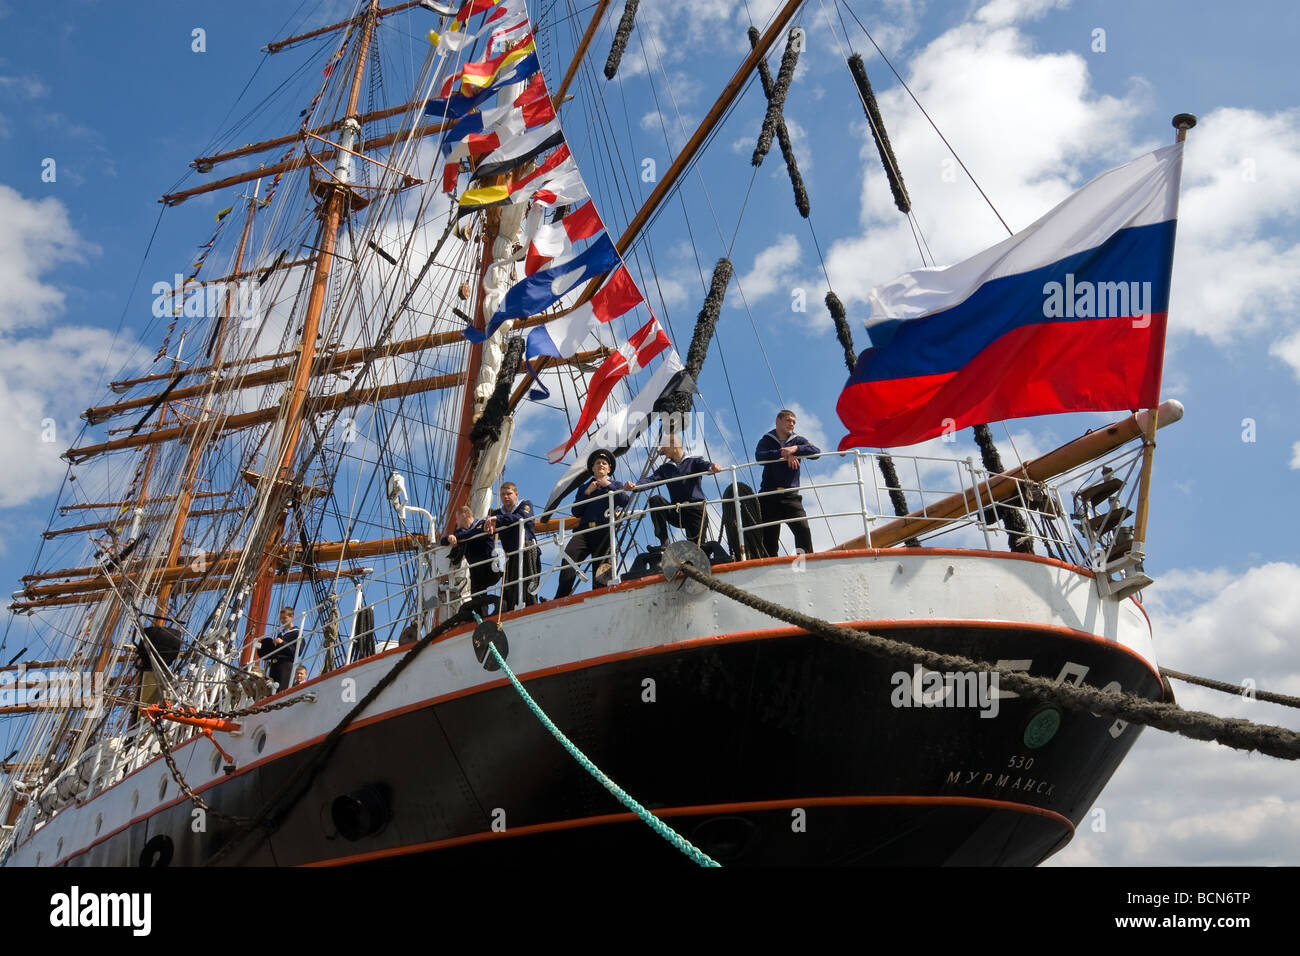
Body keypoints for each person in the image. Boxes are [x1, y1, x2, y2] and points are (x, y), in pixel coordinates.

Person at [554, 449, 629, 599]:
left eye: (604, 463)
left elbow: (624, 501)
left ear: (609, 469)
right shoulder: (584, 488)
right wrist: (587, 492)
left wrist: (608, 485)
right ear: (593, 468)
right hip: (584, 531)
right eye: (597, 463)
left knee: (601, 566)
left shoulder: (615, 484)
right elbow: (576, 511)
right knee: (569, 556)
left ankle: (600, 595)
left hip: (603, 530)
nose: (601, 465)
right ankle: (561, 596)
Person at [623, 436, 722, 547]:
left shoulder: (693, 461)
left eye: (665, 447)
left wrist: (712, 467)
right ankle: (664, 541)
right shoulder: (666, 468)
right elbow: (651, 480)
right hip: (677, 511)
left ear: (674, 445)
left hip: (695, 509)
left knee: (697, 547)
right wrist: (635, 486)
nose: (663, 451)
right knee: (656, 500)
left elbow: (706, 465)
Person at [754, 409, 820, 557]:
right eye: (788, 420)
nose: (792, 424)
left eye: (794, 422)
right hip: (769, 495)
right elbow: (760, 457)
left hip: (790, 495)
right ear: (778, 421)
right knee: (769, 537)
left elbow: (815, 452)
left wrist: (795, 449)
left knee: (803, 530)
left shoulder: (797, 440)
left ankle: (805, 560)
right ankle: (768, 566)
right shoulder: (766, 440)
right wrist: (782, 453)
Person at [491, 481, 540, 612]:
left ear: (516, 494)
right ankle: (509, 609)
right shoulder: (497, 513)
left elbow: (522, 517)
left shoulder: (525, 504)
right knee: (510, 588)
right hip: (510, 555)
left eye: (509, 494)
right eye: (502, 494)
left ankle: (531, 608)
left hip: (527, 550)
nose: (505, 497)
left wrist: (499, 520)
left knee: (529, 584)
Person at [441, 504, 500, 604]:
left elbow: (476, 532)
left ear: (463, 515)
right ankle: (481, 616)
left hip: (490, 566)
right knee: (476, 599)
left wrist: (458, 537)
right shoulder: (460, 532)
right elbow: (443, 541)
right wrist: (449, 538)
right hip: (476, 570)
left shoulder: (482, 523)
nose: (456, 522)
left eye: (457, 518)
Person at [257, 607, 299, 693]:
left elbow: (297, 652)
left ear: (291, 617)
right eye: (281, 618)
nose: (282, 621)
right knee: (271, 691)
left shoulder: (296, 633)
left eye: (284, 618)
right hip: (274, 666)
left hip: (285, 666)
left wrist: (282, 643)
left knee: (281, 691)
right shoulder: (281, 634)